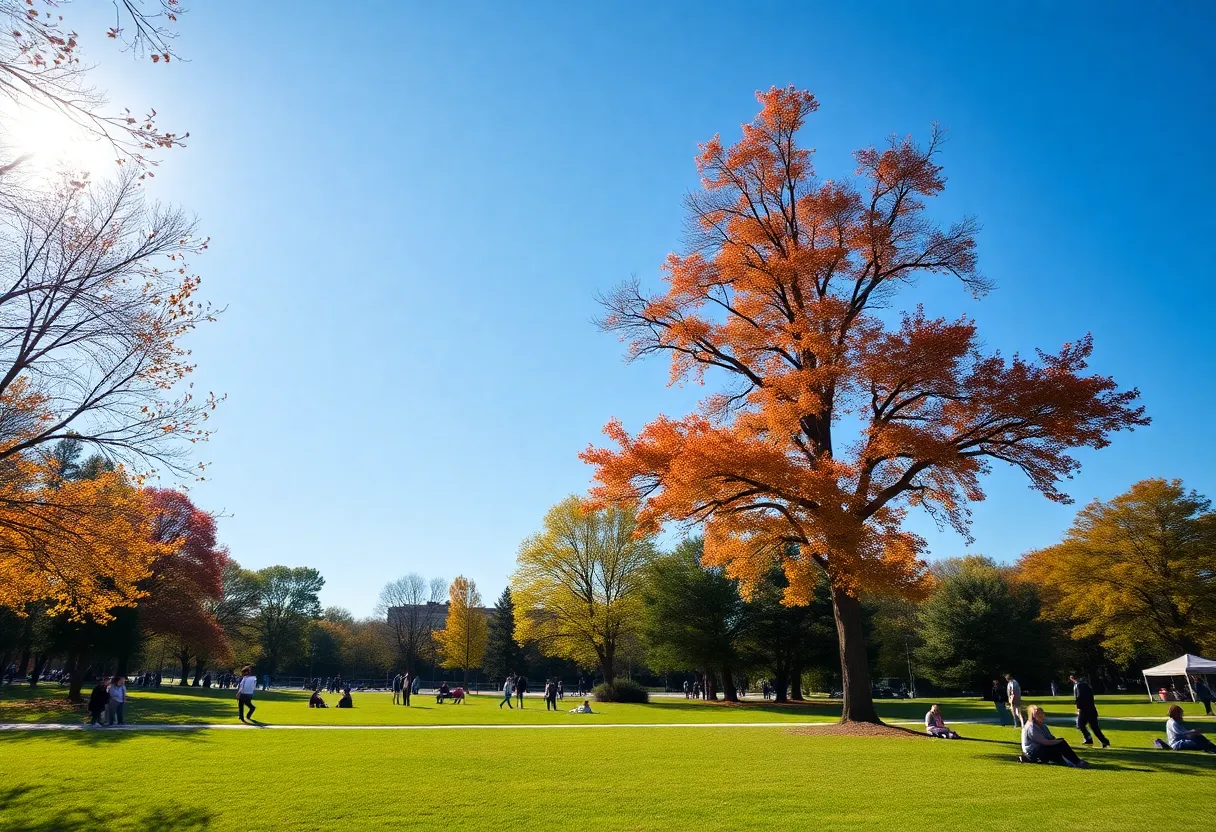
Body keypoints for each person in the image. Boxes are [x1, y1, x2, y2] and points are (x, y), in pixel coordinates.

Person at [1020, 705, 1088, 767]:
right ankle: (1077, 762)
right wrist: (1058, 742)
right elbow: (1044, 742)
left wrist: (1056, 741)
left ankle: (1072, 762)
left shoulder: (1042, 726)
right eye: (1039, 715)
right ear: (1033, 716)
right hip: (1031, 752)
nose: (1042, 716)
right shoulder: (1031, 727)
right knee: (1060, 744)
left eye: (1042, 714)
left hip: (1040, 748)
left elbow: (1050, 738)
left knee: (1059, 746)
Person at [1070, 673, 1109, 748]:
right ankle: (1104, 741)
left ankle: (1089, 739)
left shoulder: (1080, 685)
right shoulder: (1084, 685)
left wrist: (1079, 707)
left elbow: (1080, 697)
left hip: (1085, 709)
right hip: (1090, 709)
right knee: (1094, 727)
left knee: (1080, 724)